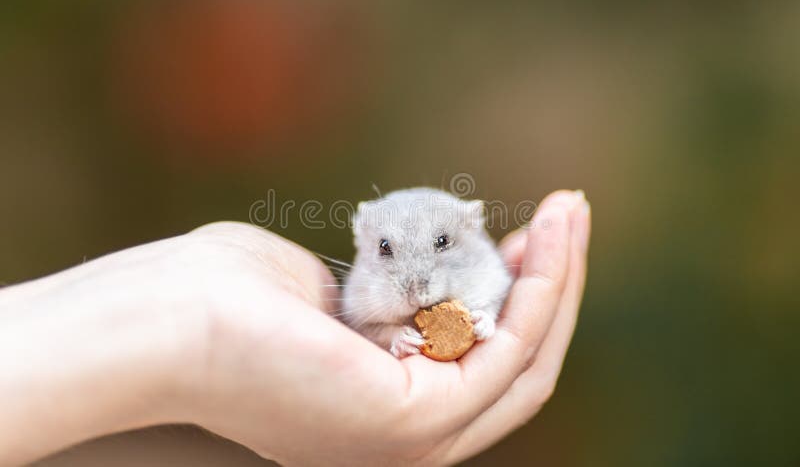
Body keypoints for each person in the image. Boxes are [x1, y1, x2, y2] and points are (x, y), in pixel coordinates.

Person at [0, 190, 590, 466]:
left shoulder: (481, 266)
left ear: (466, 231)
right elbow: (365, 321)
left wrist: (483, 319)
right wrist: (394, 339)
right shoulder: (361, 291)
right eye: (387, 253)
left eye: (440, 247)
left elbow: (496, 293)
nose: (416, 284)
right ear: (365, 243)